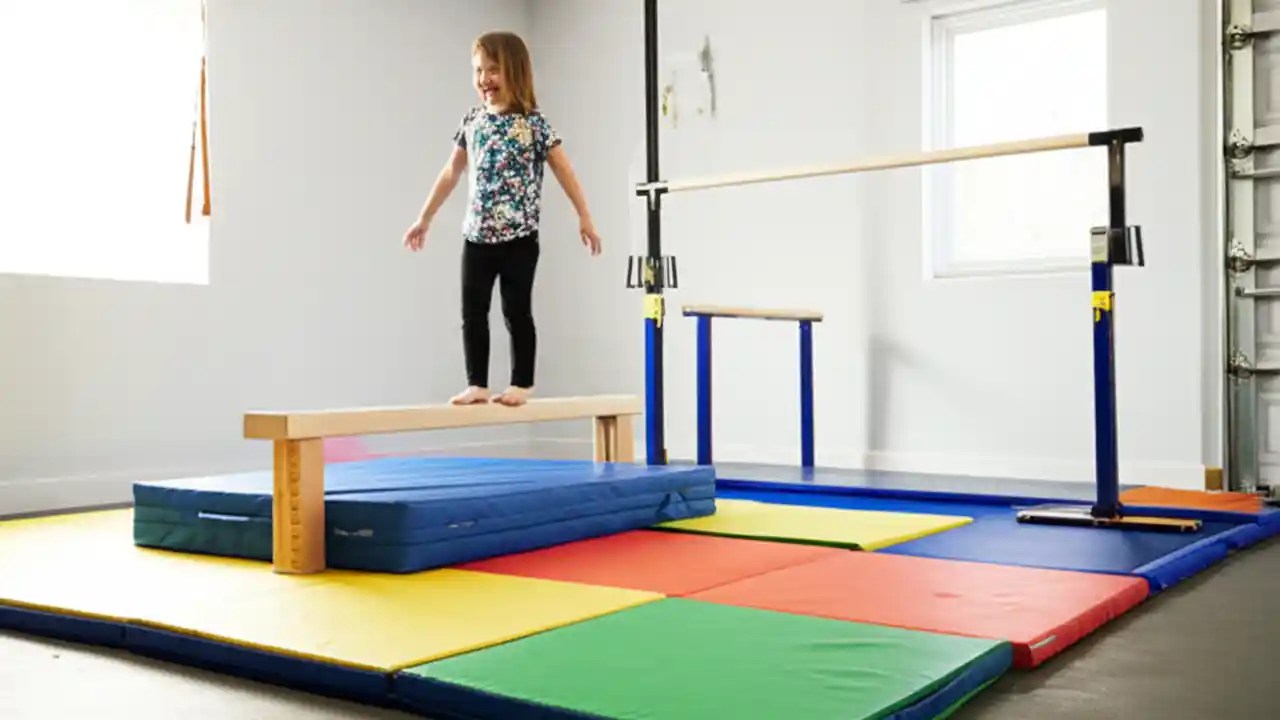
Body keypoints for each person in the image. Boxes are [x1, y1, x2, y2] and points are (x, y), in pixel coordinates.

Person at [404, 31, 601, 407]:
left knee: (516, 310)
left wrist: (584, 216)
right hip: (476, 237)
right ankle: (477, 383)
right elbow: (451, 172)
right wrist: (424, 218)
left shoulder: (533, 124)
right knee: (472, 312)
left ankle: (521, 382)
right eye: (478, 71)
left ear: (516, 71)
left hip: (519, 239)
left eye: (493, 70)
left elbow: (564, 169)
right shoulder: (473, 121)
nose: (484, 79)